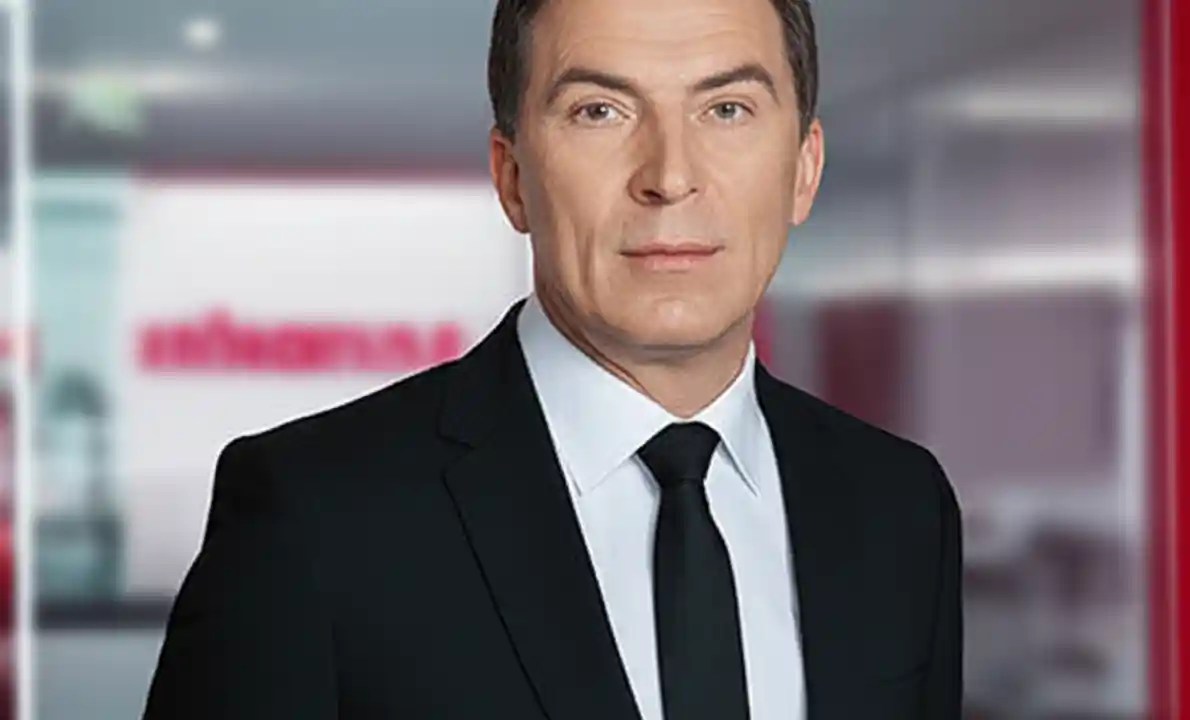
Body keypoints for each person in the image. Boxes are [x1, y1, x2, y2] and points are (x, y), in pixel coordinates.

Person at [143, 0, 962, 717]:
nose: (671, 177)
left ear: (804, 168)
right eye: (601, 111)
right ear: (512, 179)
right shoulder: (312, 520)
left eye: (728, 110)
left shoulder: (901, 508)